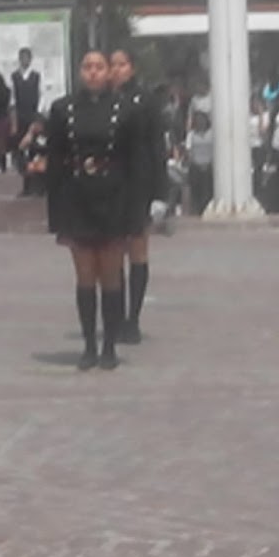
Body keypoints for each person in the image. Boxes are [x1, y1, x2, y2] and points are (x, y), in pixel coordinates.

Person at [47, 50, 145, 371]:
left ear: (109, 73)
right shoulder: (62, 109)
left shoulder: (127, 110)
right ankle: (89, 344)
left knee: (111, 276)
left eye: (99, 67)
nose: (93, 72)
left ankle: (109, 345)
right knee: (85, 276)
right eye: (87, 66)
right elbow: (55, 161)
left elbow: (136, 163)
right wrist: (55, 211)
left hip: (114, 196)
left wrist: (138, 209)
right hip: (77, 197)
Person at [110, 48, 167, 345]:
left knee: (137, 251)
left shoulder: (146, 101)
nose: (116, 70)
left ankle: (133, 318)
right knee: (112, 253)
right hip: (110, 186)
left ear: (132, 68)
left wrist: (160, 193)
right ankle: (116, 316)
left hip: (139, 184)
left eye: (121, 64)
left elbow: (157, 147)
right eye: (112, 65)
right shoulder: (103, 100)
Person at [182, 111, 214, 216]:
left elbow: (215, 150)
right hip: (195, 165)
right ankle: (198, 208)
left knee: (208, 183)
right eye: (197, 120)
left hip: (209, 164)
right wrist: (194, 162)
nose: (200, 122)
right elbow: (188, 151)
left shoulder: (212, 134)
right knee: (196, 183)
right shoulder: (191, 135)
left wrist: (209, 163)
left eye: (202, 120)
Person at [10, 48, 42, 142]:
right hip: (19, 114)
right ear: (19, 59)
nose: (25, 60)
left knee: (34, 140)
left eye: (27, 57)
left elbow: (42, 95)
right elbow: (12, 98)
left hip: (33, 113)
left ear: (30, 59)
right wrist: (13, 119)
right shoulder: (14, 76)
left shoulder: (37, 76)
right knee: (19, 140)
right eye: (22, 58)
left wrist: (38, 112)